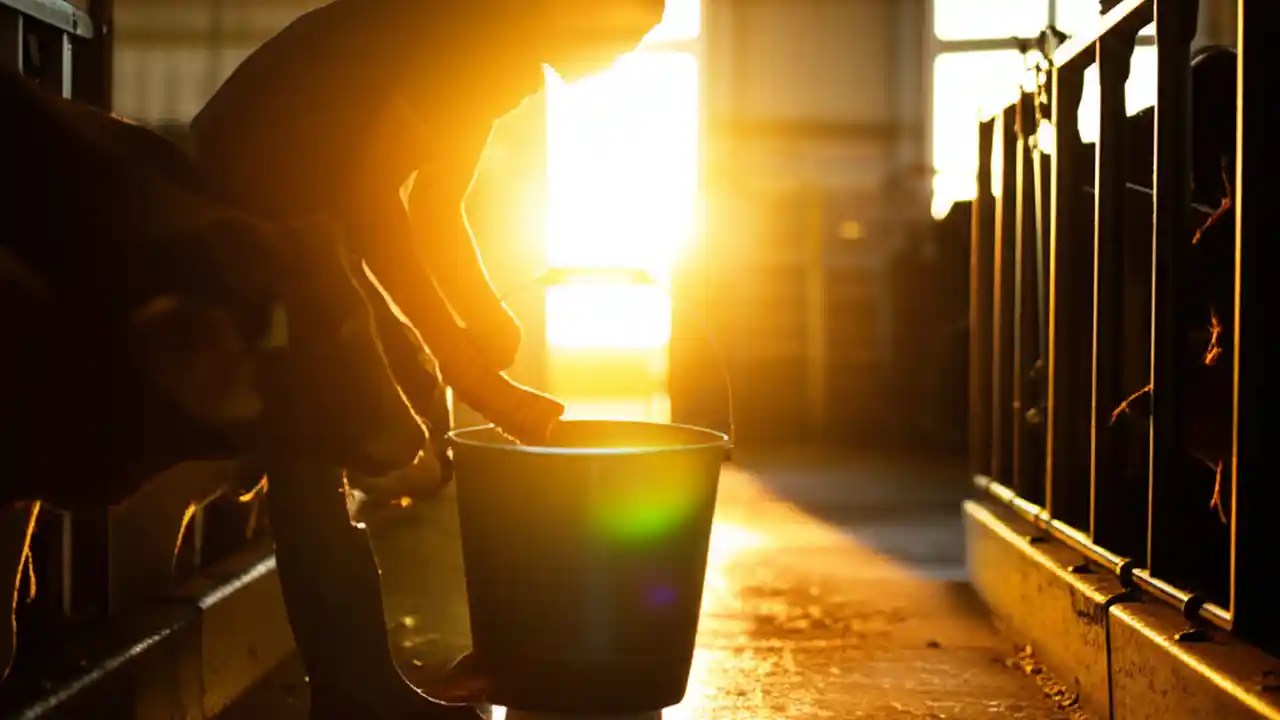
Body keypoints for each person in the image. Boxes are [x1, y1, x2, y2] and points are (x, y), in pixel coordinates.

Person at [190, 1, 665, 717]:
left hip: (303, 204)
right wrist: (470, 371)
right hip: (255, 199)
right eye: (627, 35)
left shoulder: (504, 53)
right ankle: (355, 691)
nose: (625, 56)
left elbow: (439, 206)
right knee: (321, 433)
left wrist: (484, 315)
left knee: (366, 405)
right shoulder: (478, 39)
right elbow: (372, 199)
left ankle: (356, 684)